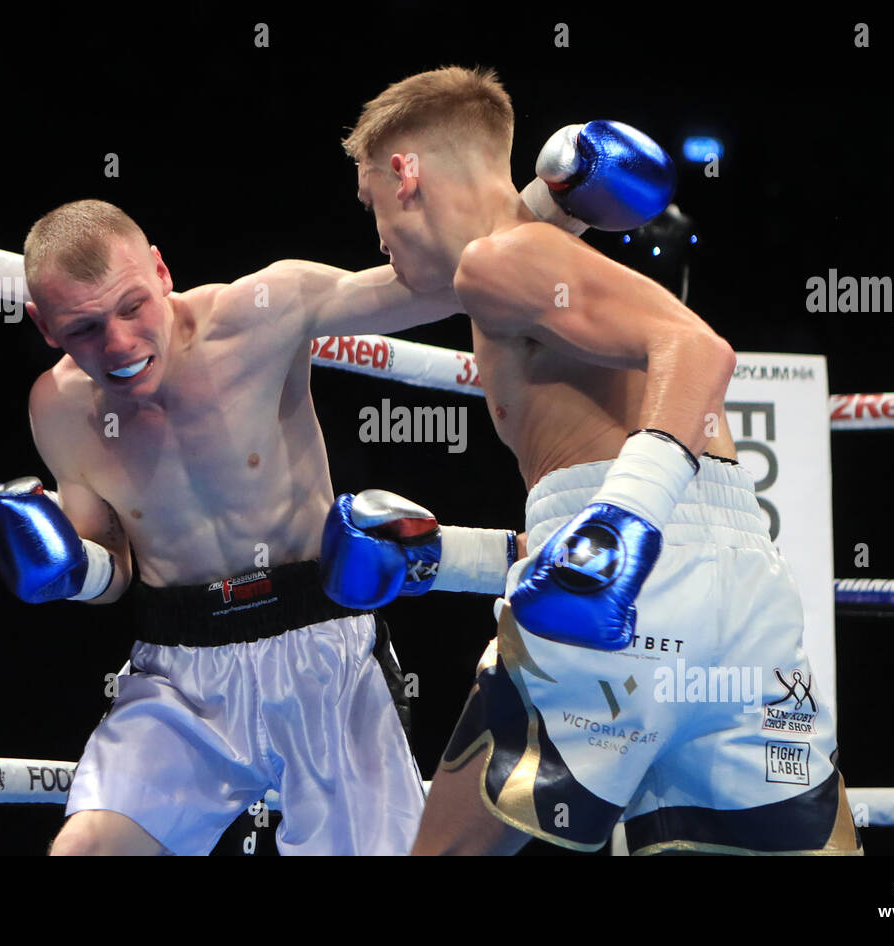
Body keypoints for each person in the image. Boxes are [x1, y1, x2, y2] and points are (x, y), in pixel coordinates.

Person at [323, 66, 863, 855]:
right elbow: (588, 509)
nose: (378, 241)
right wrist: (444, 557)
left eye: (371, 205)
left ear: (404, 173)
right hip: (741, 599)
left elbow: (698, 350)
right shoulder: (523, 255)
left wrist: (624, 521)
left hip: (635, 580)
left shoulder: (494, 263)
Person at [0, 200, 458, 855]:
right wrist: (72, 571)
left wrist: (559, 198)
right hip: (179, 673)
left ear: (162, 270)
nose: (118, 345)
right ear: (45, 326)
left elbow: (427, 290)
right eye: (85, 327)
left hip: (323, 651)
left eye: (131, 307)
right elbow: (113, 570)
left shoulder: (259, 314)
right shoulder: (58, 407)